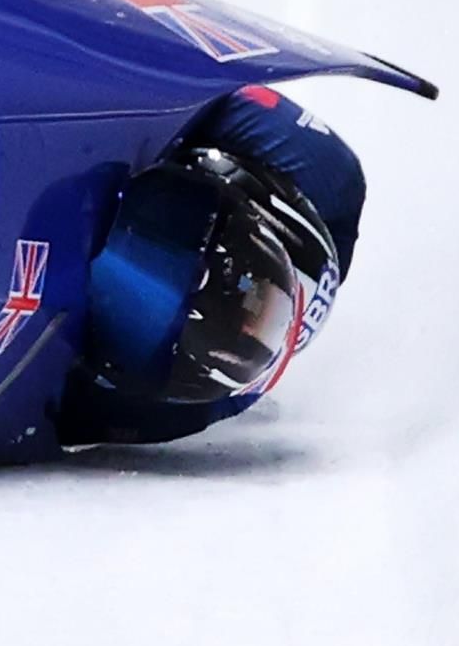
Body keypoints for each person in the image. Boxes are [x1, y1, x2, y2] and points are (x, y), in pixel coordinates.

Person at [61, 84, 365, 445]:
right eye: (255, 288)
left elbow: (50, 418)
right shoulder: (326, 172)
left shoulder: (179, 409)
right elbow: (187, 72)